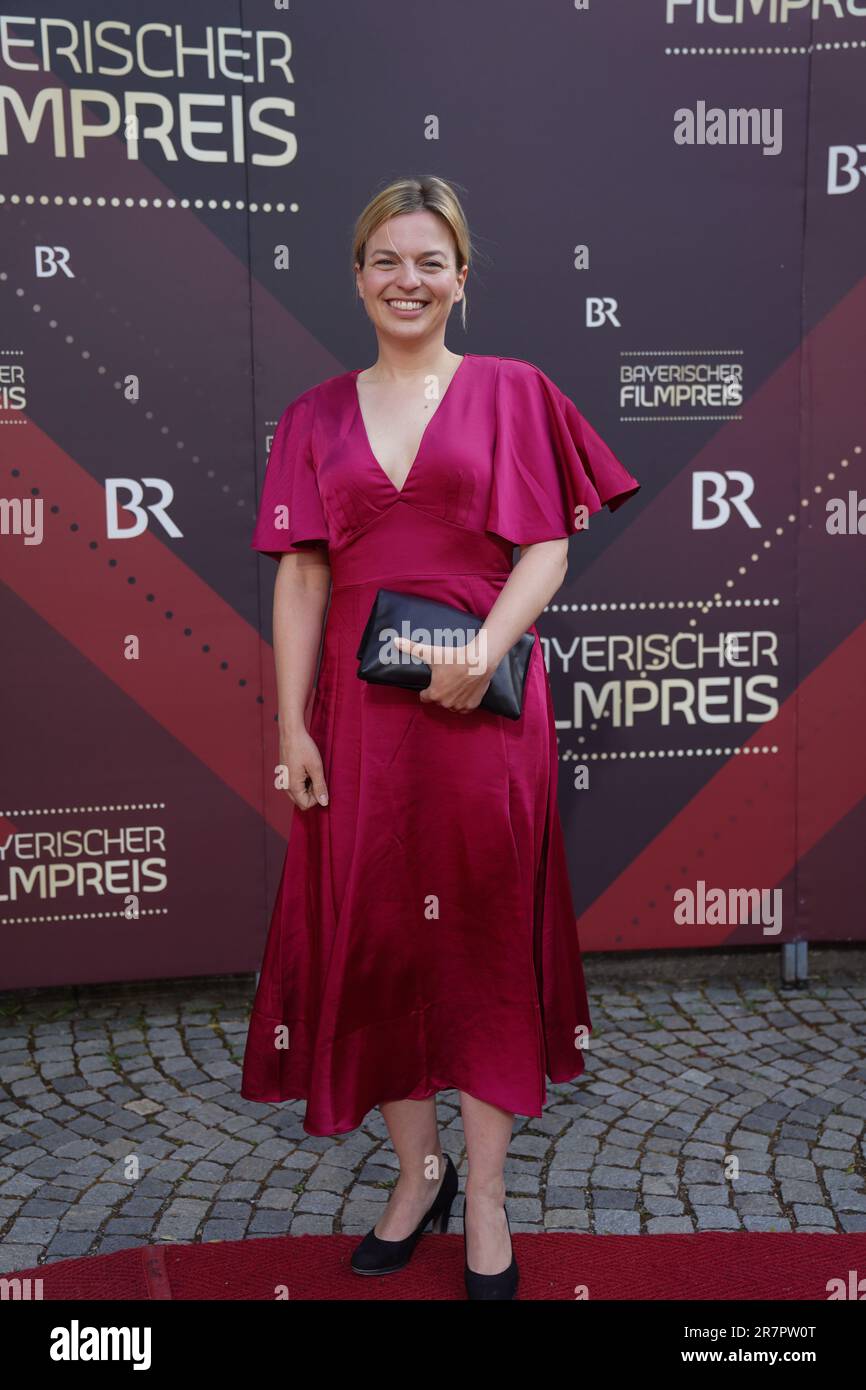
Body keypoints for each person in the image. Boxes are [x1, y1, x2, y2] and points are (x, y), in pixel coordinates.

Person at [241, 175, 640, 1300]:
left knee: (473, 942)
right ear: (356, 275)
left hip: (487, 714)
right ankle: (415, 1176)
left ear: (461, 278)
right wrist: (290, 723)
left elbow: (548, 545)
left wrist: (483, 651)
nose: (404, 280)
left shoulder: (515, 392)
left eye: (428, 261)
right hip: (361, 725)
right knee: (376, 943)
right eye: (383, 260)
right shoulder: (314, 416)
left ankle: (488, 1195)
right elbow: (303, 581)